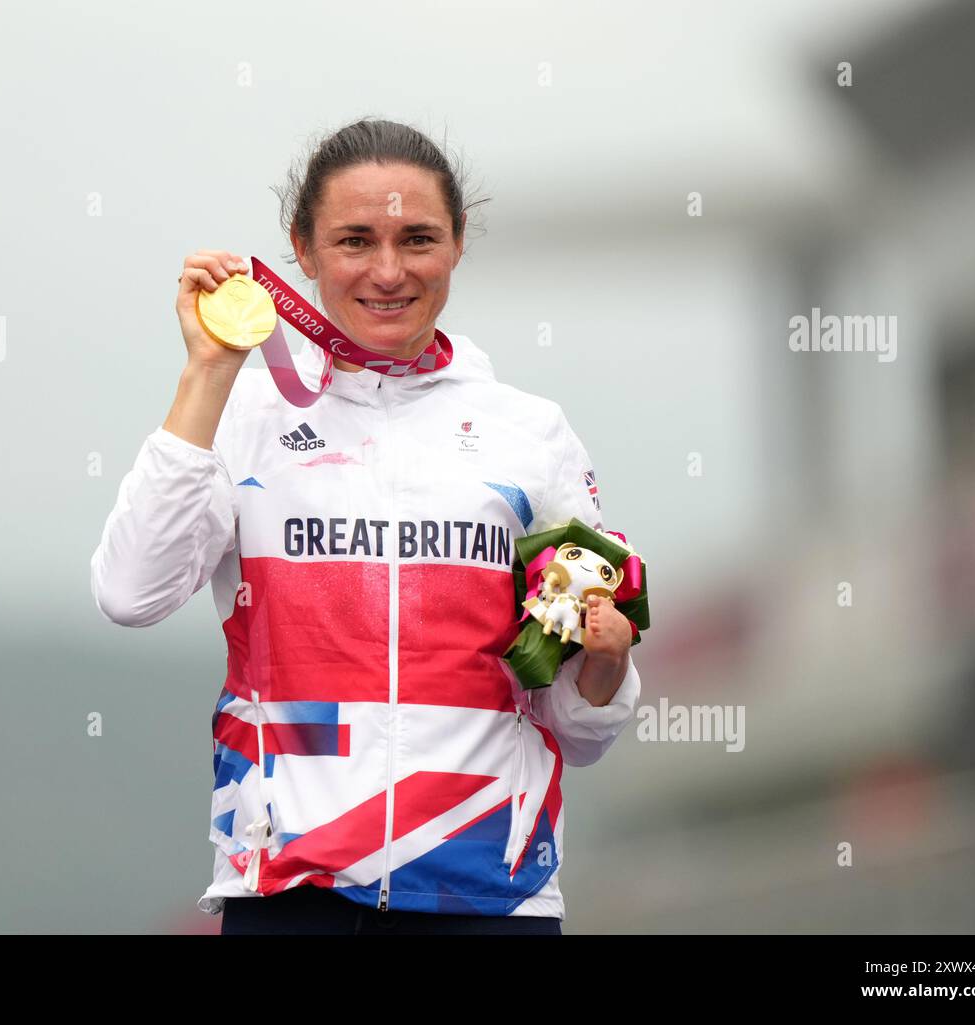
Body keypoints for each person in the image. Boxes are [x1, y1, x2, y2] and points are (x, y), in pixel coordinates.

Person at [89, 117, 644, 935]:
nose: (388, 271)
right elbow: (128, 592)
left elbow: (580, 722)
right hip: (290, 897)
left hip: (492, 897)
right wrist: (207, 372)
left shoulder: (532, 437)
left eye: (417, 238)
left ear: (458, 245)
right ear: (302, 252)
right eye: (355, 240)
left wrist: (604, 664)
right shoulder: (244, 418)